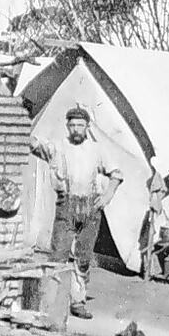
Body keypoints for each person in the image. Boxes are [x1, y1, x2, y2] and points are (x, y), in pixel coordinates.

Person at [32, 106, 124, 319]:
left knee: (83, 258)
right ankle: (51, 302)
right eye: (72, 125)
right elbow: (34, 144)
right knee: (59, 256)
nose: (76, 129)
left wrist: (107, 196)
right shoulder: (58, 147)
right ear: (67, 126)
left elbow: (116, 174)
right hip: (66, 205)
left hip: (90, 207)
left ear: (87, 127)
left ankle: (78, 302)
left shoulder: (97, 149)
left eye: (80, 125)